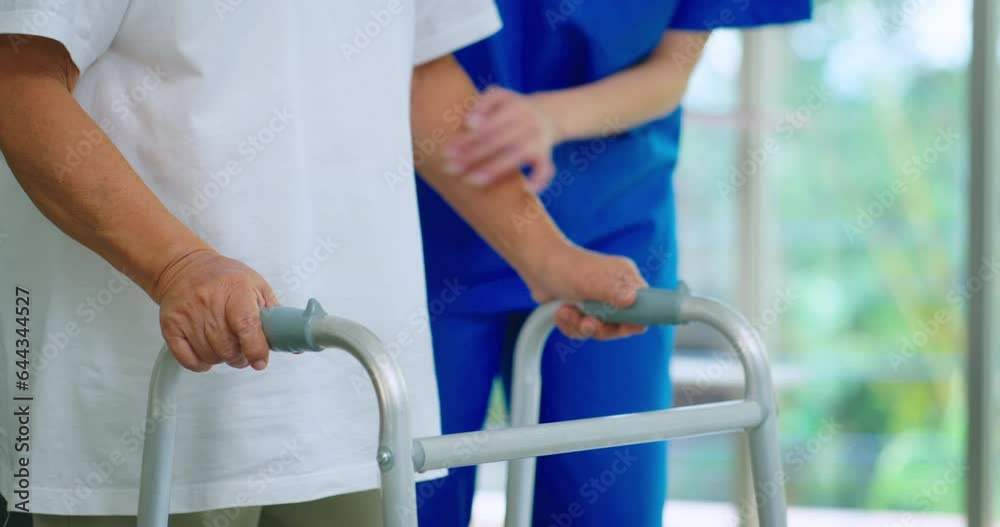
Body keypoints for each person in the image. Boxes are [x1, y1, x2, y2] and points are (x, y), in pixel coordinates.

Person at [0, 2, 649, 526]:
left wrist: (547, 256)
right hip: (152, 403)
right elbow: (18, 81)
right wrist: (179, 265)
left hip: (353, 401)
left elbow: (424, 78)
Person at [415, 1, 812, 525]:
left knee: (606, 501)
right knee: (412, 495)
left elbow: (673, 68)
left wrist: (546, 117)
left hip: (610, 222)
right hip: (432, 217)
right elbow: (408, 62)